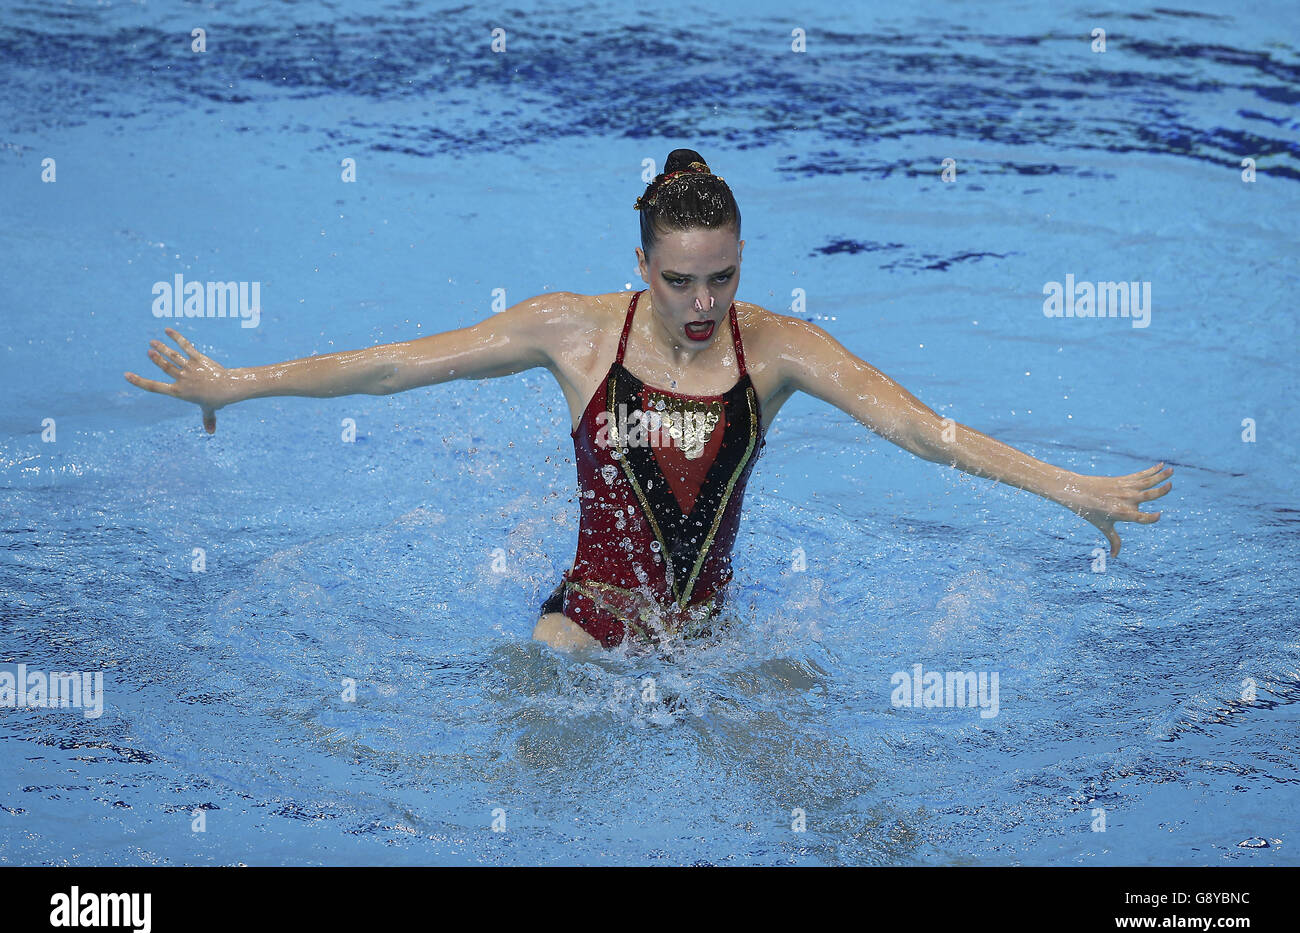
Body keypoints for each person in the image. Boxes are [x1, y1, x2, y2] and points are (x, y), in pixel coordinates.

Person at [125, 148, 1173, 653]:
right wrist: (238, 383)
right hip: (585, 622)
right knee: (538, 711)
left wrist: (1070, 488)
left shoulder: (780, 348)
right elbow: (397, 363)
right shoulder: (575, 331)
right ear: (640, 265)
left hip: (711, 638)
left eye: (722, 275)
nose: (706, 302)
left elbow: (919, 429)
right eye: (679, 280)